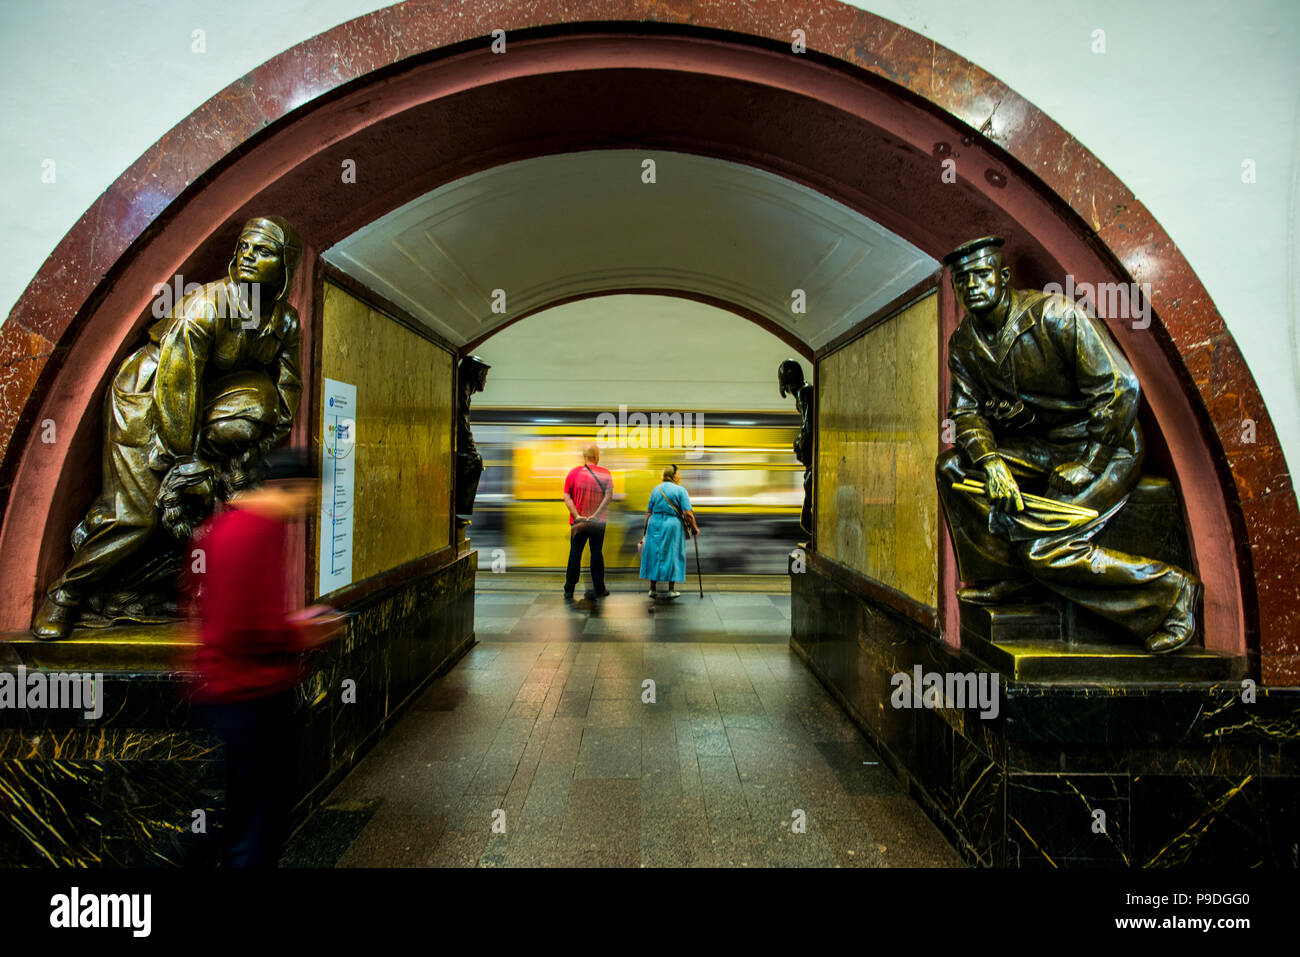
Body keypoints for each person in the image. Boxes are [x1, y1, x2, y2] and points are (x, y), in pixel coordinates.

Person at [32, 216, 305, 639]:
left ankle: (144, 593)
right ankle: (65, 594)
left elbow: (288, 389)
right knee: (138, 516)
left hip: (199, 406)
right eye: (245, 247)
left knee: (207, 492)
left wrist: (255, 446)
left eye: (263, 251)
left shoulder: (284, 322)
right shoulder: (208, 304)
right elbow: (177, 380)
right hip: (147, 398)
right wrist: (185, 460)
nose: (248, 255)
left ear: (285, 267)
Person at [934, 235, 1201, 653]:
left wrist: (1091, 463)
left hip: (1106, 446)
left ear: (1004, 277)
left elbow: (1119, 388)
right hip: (1041, 447)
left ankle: (1170, 593)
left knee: (1043, 548)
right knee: (951, 468)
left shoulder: (1055, 315)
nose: (972, 287)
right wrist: (990, 462)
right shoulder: (964, 344)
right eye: (962, 281)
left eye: (982, 275)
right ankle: (1009, 577)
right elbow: (966, 413)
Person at [189, 447, 344, 867]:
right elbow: (245, 628)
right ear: (292, 488)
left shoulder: (224, 526)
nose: (309, 508)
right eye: (309, 497)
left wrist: (292, 622)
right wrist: (307, 630)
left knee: (243, 814)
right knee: (257, 822)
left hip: (230, 692)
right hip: (250, 696)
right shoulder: (255, 531)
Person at [639, 464, 700, 599]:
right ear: (673, 476)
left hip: (654, 524)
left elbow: (648, 512)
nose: (679, 476)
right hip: (672, 526)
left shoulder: (656, 490)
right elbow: (687, 513)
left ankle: (652, 589)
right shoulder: (680, 490)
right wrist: (694, 527)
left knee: (654, 554)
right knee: (672, 554)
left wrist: (645, 529)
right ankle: (671, 589)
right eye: (678, 473)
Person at [563, 443, 613, 600]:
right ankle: (599, 589)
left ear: (584, 457)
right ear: (597, 457)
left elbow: (566, 496)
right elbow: (608, 496)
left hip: (578, 523)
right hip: (598, 523)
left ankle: (569, 588)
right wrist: (596, 515)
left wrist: (577, 516)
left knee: (575, 553)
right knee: (596, 553)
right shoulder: (605, 473)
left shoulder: (573, 473)